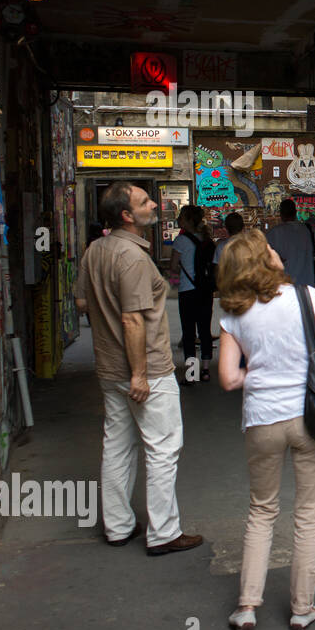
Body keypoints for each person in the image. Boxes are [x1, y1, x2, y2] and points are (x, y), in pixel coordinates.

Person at [217, 227, 315, 630]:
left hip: (262, 420)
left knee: (261, 510)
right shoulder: (307, 296)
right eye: (269, 248)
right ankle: (302, 608)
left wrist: (257, 369)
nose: (276, 251)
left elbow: (227, 379)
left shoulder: (234, 314)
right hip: (309, 417)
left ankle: (247, 606)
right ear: (264, 261)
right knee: (307, 513)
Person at [73, 182, 203, 555]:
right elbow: (133, 321)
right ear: (127, 216)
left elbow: (83, 302)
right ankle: (163, 532)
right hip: (145, 369)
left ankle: (117, 526)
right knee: (163, 448)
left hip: (110, 367)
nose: (153, 204)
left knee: (117, 446)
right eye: (145, 202)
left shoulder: (95, 250)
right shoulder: (131, 258)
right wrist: (140, 374)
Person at [169, 205, 215, 382]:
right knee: (205, 330)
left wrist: (175, 279)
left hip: (187, 291)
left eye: (181, 217)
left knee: (189, 333)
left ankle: (192, 374)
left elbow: (173, 266)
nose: (178, 219)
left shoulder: (181, 241)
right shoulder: (206, 239)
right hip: (205, 291)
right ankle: (205, 370)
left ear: (188, 220)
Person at [266, 199, 315, 289]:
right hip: (307, 284)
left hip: (284, 285)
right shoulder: (308, 230)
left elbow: (265, 256)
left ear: (281, 214)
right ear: (295, 212)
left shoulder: (274, 233)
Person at [212, 211, 244, 282]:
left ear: (226, 228)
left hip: (227, 287)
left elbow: (218, 271)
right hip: (246, 287)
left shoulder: (221, 246)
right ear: (243, 227)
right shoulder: (250, 245)